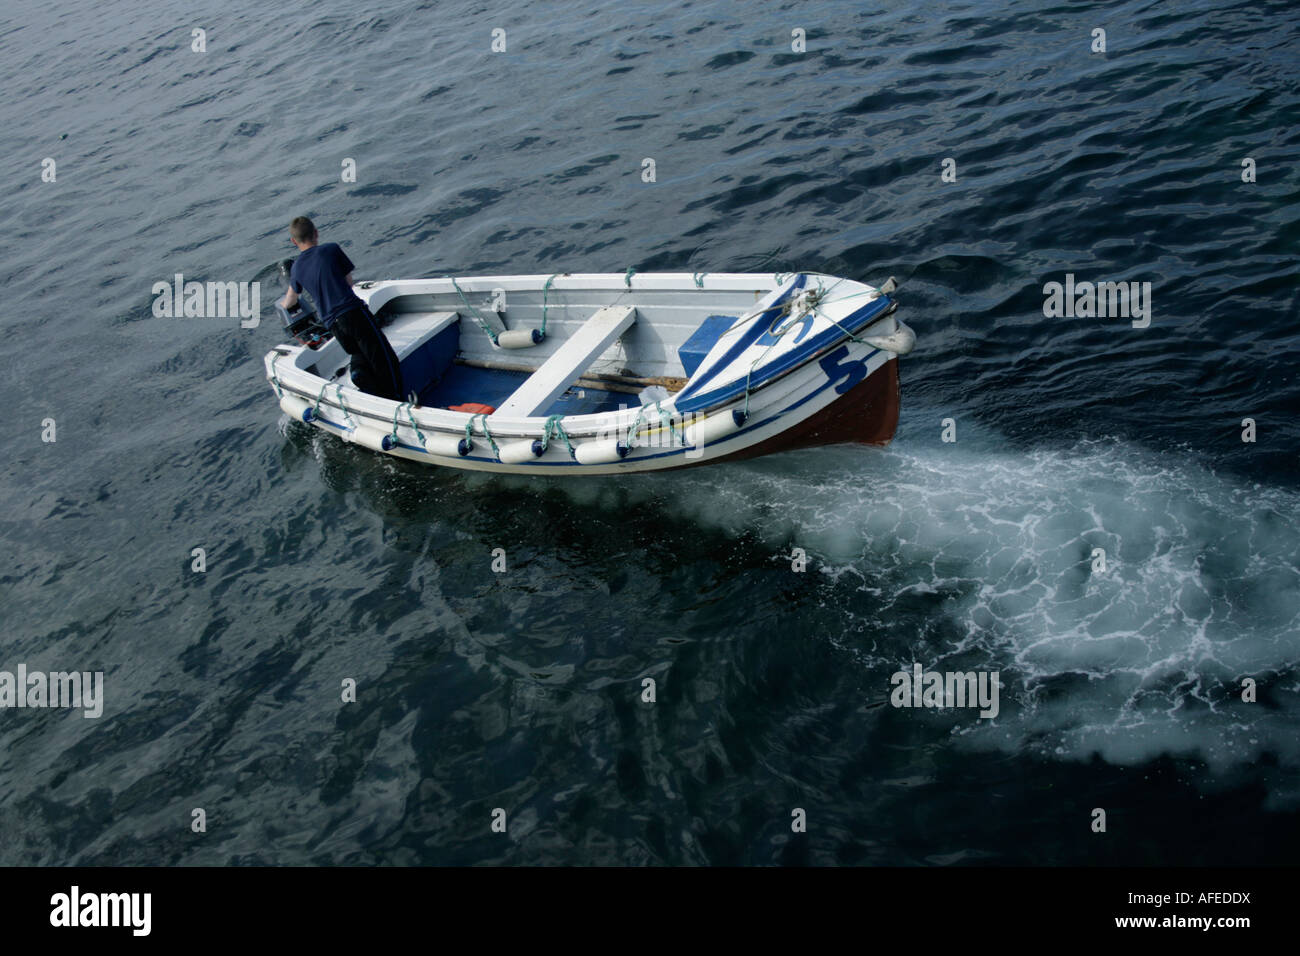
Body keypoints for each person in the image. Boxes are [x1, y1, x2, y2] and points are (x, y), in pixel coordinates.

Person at [280, 217, 407, 402]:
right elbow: (349, 283)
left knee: (358, 353)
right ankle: (397, 399)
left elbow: (290, 300)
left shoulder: (296, 268)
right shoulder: (331, 249)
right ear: (316, 233)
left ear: (294, 241)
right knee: (384, 359)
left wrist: (284, 305)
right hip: (352, 312)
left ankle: (358, 373)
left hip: (333, 324)